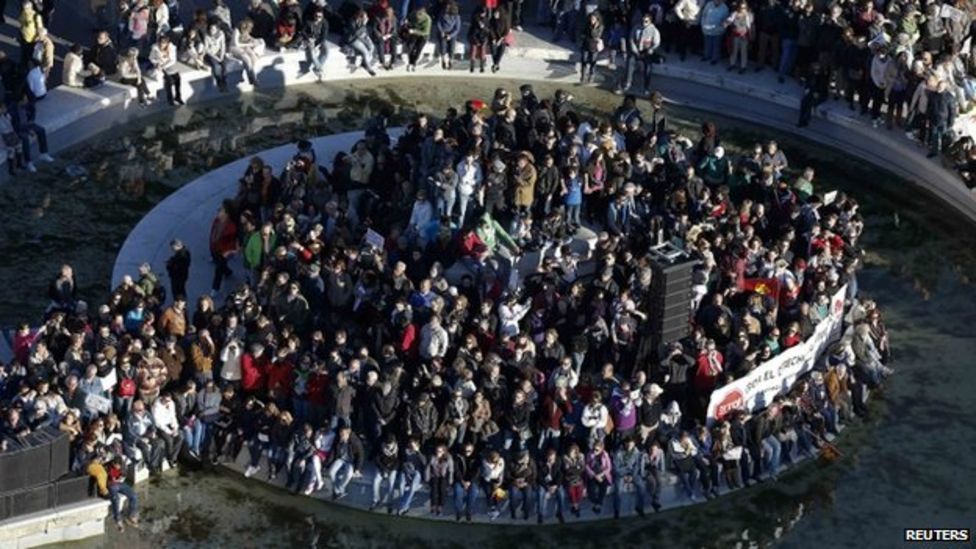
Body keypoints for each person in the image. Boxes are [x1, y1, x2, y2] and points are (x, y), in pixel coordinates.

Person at [619, 13, 659, 95]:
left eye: (646, 21)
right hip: (636, 50)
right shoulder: (636, 28)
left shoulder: (654, 31)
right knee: (630, 61)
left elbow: (656, 43)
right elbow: (631, 39)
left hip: (647, 52)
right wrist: (635, 50)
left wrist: (650, 50)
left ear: (650, 22)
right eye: (643, 21)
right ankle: (628, 83)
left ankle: (646, 87)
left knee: (648, 67)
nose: (644, 23)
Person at [208, 200, 239, 295]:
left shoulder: (231, 226)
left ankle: (215, 288)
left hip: (223, 252)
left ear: (226, 213)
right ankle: (228, 272)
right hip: (214, 248)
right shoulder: (216, 221)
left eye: (221, 210)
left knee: (218, 269)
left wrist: (228, 252)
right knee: (220, 265)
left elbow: (231, 242)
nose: (218, 211)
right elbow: (213, 232)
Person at [149, 34, 183, 106]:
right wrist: (157, 63)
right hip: (159, 65)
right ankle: (170, 100)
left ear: (167, 43)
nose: (161, 45)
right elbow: (151, 58)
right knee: (168, 80)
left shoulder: (172, 48)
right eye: (160, 43)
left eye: (163, 43)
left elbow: (173, 60)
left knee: (177, 78)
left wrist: (164, 66)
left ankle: (178, 97)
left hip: (168, 64)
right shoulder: (155, 48)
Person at [231, 18, 265, 85]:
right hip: (234, 48)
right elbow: (236, 44)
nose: (250, 30)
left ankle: (250, 73)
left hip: (244, 46)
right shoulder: (236, 31)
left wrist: (255, 41)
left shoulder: (246, 31)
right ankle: (252, 78)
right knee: (246, 58)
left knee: (253, 56)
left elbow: (249, 38)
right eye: (249, 28)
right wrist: (249, 44)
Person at [302, 7, 329, 81]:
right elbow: (303, 31)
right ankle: (319, 69)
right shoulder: (309, 22)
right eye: (316, 16)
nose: (317, 18)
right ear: (314, 15)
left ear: (322, 16)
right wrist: (308, 38)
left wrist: (318, 45)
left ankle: (316, 68)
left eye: (320, 16)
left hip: (320, 40)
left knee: (326, 52)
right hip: (310, 39)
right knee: (312, 54)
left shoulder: (325, 23)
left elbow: (324, 36)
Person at [403, 6, 431, 72]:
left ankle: (414, 63)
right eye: (417, 14)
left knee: (418, 48)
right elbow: (408, 20)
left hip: (423, 36)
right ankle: (410, 62)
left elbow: (426, 32)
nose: (418, 16)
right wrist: (407, 22)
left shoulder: (428, 19)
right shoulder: (413, 14)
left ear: (424, 14)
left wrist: (414, 31)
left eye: (420, 15)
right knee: (410, 46)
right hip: (414, 33)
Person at [579, 11, 603, 84]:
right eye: (591, 18)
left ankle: (591, 76)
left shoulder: (600, 27)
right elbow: (582, 33)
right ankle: (583, 76)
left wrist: (594, 28)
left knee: (593, 62)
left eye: (593, 19)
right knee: (584, 60)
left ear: (597, 19)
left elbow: (596, 36)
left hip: (594, 47)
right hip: (586, 45)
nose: (591, 20)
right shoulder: (587, 24)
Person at [204, 23, 228, 91]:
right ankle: (219, 82)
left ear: (217, 29)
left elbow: (223, 45)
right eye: (211, 29)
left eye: (213, 29)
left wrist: (221, 56)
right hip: (211, 54)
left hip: (219, 52)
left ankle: (224, 81)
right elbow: (207, 50)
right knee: (215, 65)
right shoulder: (206, 36)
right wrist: (216, 58)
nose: (212, 30)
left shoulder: (221, 34)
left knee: (224, 64)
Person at [436, 1, 460, 70]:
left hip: (452, 33)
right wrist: (441, 32)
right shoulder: (442, 14)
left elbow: (457, 28)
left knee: (452, 47)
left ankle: (450, 61)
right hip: (443, 31)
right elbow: (438, 23)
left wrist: (450, 35)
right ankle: (443, 60)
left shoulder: (456, 17)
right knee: (443, 45)